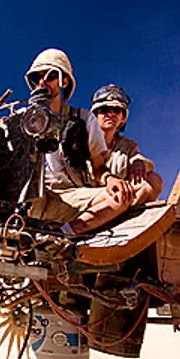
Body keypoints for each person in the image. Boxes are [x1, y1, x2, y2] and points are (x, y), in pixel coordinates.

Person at [23, 49, 134, 236]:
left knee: (119, 197)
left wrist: (111, 180)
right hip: (30, 199)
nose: (42, 83)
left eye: (50, 76)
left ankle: (61, 236)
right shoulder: (19, 121)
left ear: (63, 81)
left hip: (71, 197)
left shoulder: (83, 120)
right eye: (36, 78)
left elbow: (99, 169)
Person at [88, 84, 164, 206]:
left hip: (117, 195)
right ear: (96, 115)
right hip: (88, 196)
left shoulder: (127, 145)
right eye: (105, 109)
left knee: (154, 180)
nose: (110, 114)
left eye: (116, 110)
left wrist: (139, 162)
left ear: (123, 117)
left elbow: (143, 161)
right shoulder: (83, 138)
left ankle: (119, 213)